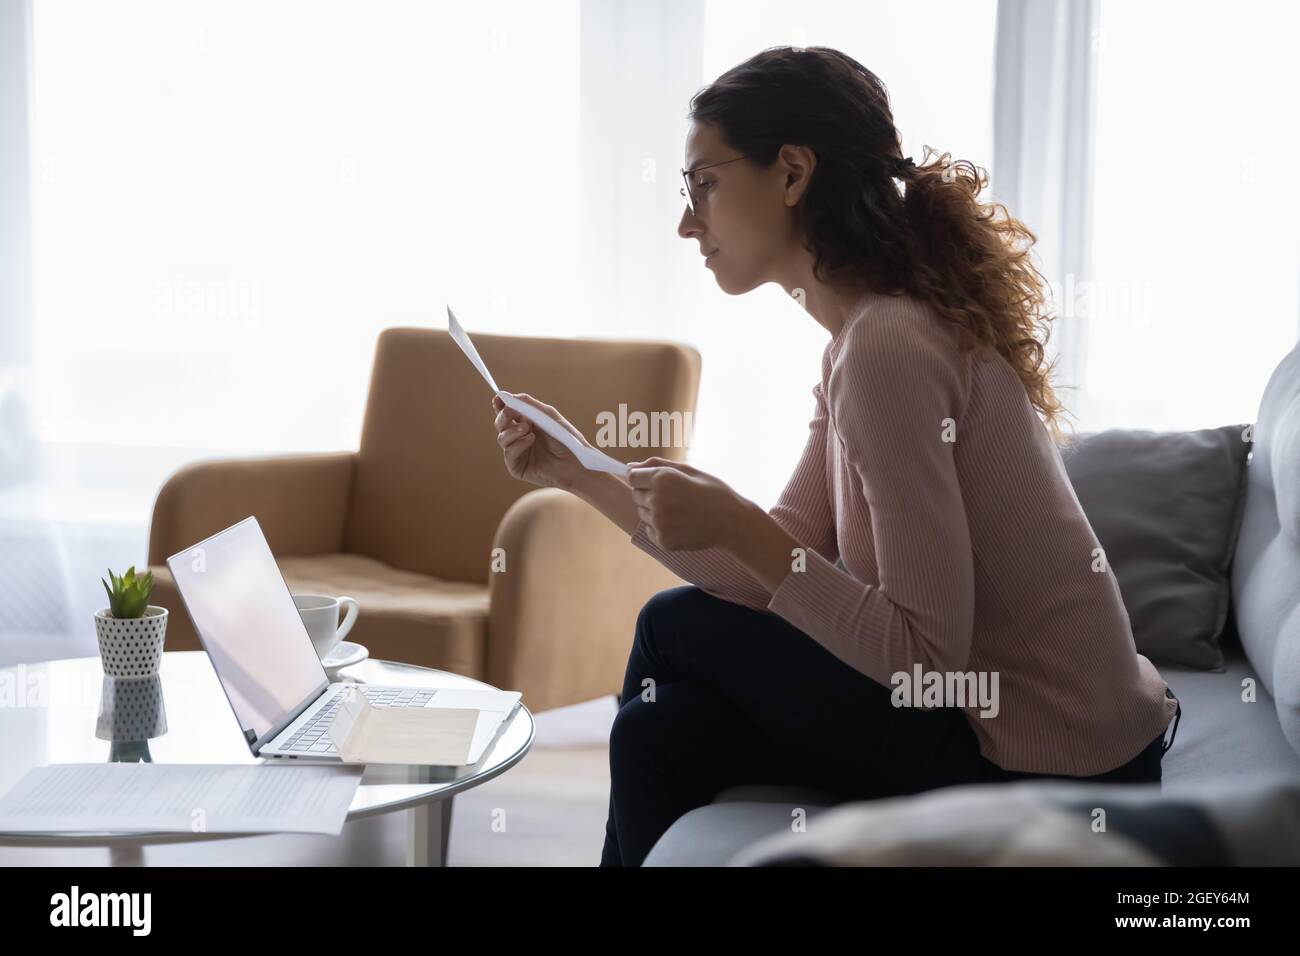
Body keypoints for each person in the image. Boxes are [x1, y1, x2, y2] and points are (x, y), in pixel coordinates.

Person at [489, 46, 1181, 868]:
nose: (686, 221)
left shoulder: (887, 349)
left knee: (670, 627)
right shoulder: (864, 338)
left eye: (703, 183)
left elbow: (926, 655)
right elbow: (784, 547)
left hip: (1047, 763)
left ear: (791, 173)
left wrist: (744, 529)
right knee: (655, 731)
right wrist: (575, 470)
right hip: (990, 726)